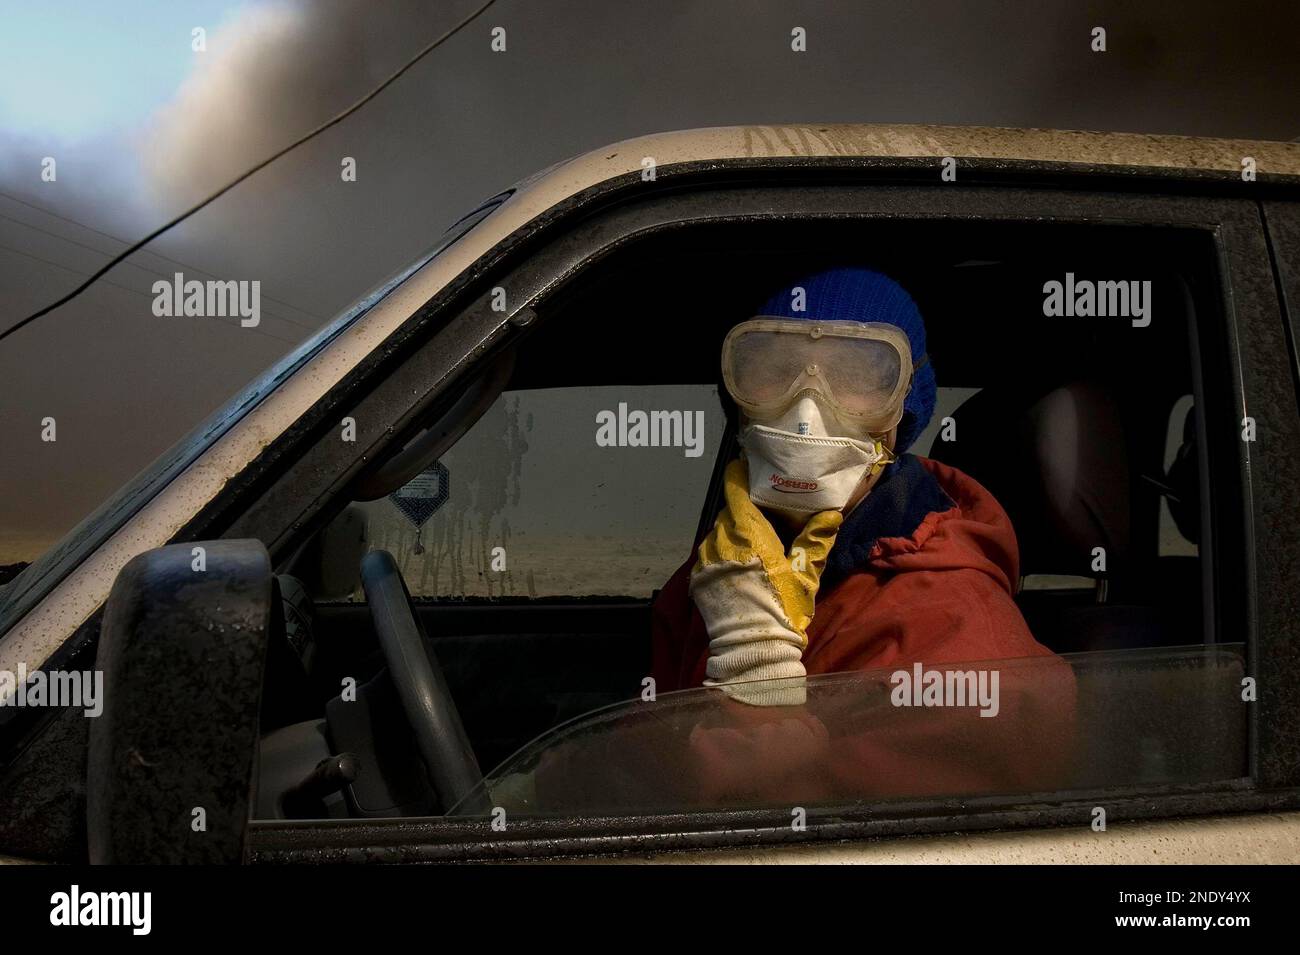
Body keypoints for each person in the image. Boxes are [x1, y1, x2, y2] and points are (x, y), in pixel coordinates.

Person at [639, 266, 1078, 803]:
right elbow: (646, 751)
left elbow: (798, 835)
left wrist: (755, 669)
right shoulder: (719, 569)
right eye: (774, 371)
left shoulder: (965, 642)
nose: (806, 414)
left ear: (898, 416)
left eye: (854, 378)